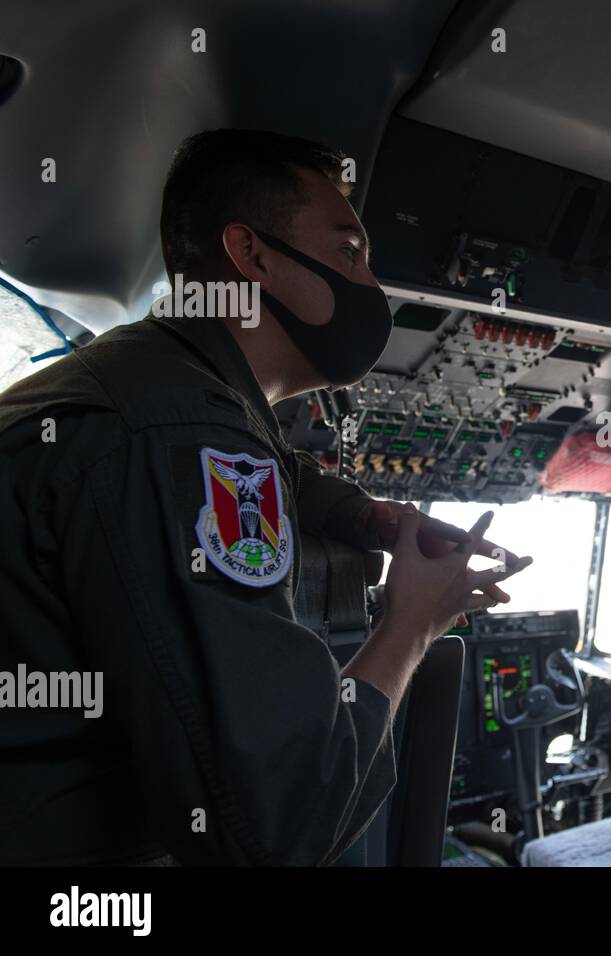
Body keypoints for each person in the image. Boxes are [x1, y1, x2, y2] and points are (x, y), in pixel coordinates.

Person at [0, 129, 531, 865]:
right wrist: (415, 622)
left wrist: (373, 518)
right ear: (251, 256)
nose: (370, 286)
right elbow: (279, 824)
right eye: (350, 252)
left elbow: (274, 470)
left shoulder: (153, 384)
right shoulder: (180, 429)